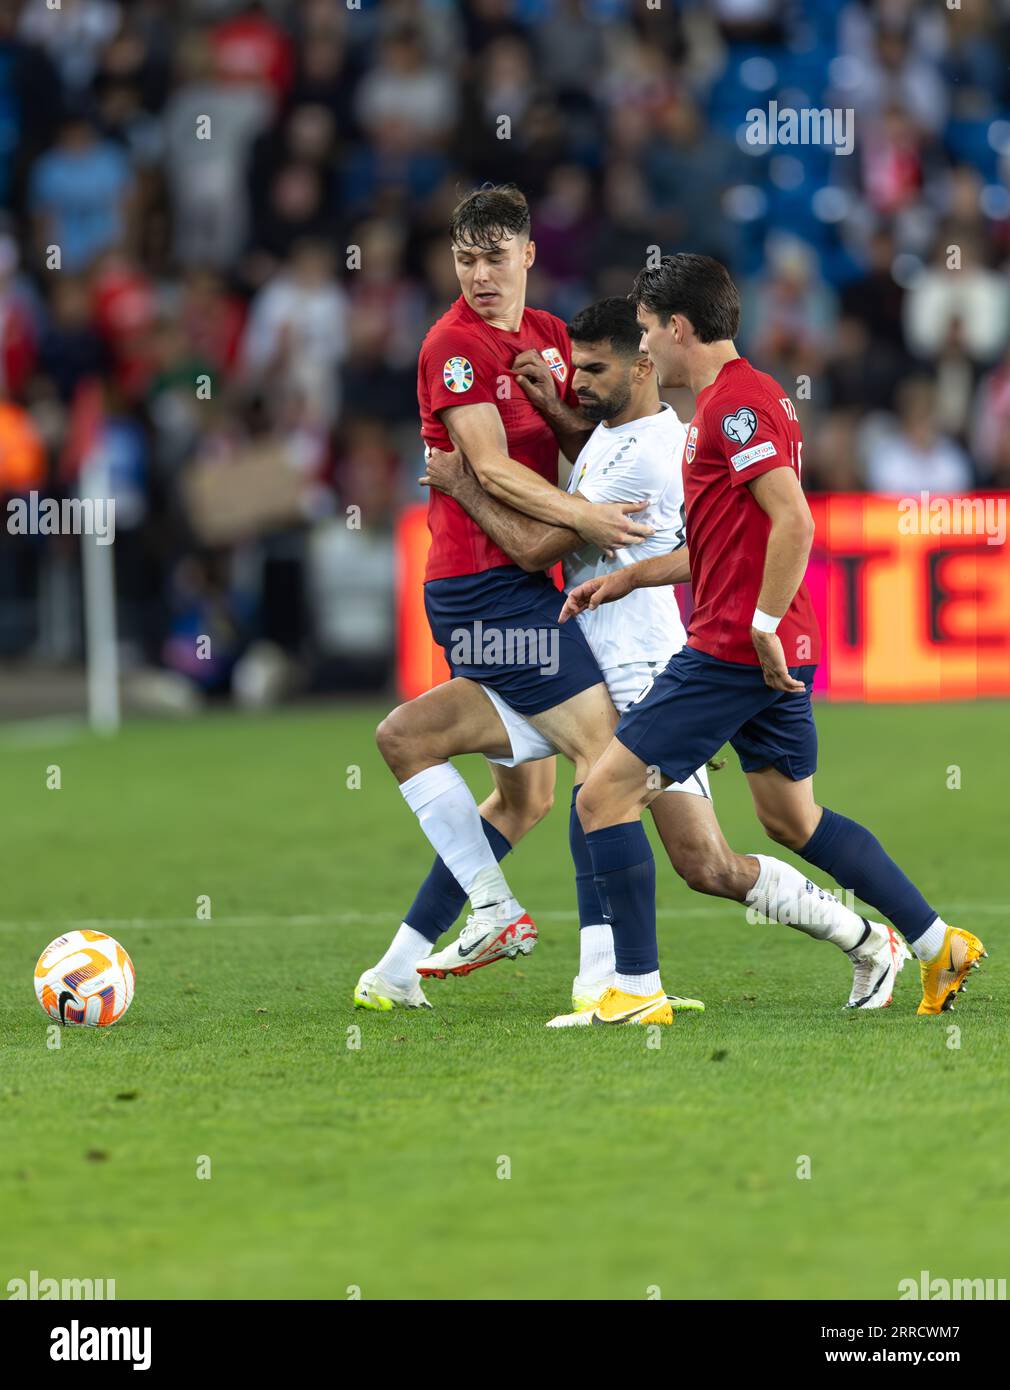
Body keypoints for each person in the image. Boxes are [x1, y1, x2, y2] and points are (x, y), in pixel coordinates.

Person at [421, 296, 912, 1015]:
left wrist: (465, 483)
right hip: (609, 661)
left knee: (700, 858)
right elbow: (587, 445)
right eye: (575, 368)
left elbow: (532, 548)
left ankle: (855, 943)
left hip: (646, 670)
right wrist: (558, 415)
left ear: (644, 365)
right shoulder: (618, 433)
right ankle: (612, 983)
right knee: (643, 828)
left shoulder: (650, 452)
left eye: (593, 370)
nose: (575, 383)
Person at [548, 253, 986, 1027]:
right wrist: (631, 577)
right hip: (772, 646)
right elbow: (725, 542)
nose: (643, 350)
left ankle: (636, 992)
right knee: (793, 820)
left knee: (603, 795)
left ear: (680, 328)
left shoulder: (734, 407)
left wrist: (757, 626)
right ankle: (933, 941)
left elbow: (796, 519)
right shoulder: (737, 404)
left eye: (648, 332)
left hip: (733, 651)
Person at [353, 184, 654, 1011]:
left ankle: (398, 968)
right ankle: (606, 980)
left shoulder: (554, 337)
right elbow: (485, 468)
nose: (479, 275)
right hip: (482, 590)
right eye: (464, 259)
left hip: (524, 586)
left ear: (528, 253)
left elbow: (594, 444)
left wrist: (557, 406)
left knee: (518, 794)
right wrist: (587, 516)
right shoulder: (450, 347)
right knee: (607, 764)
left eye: (494, 257)